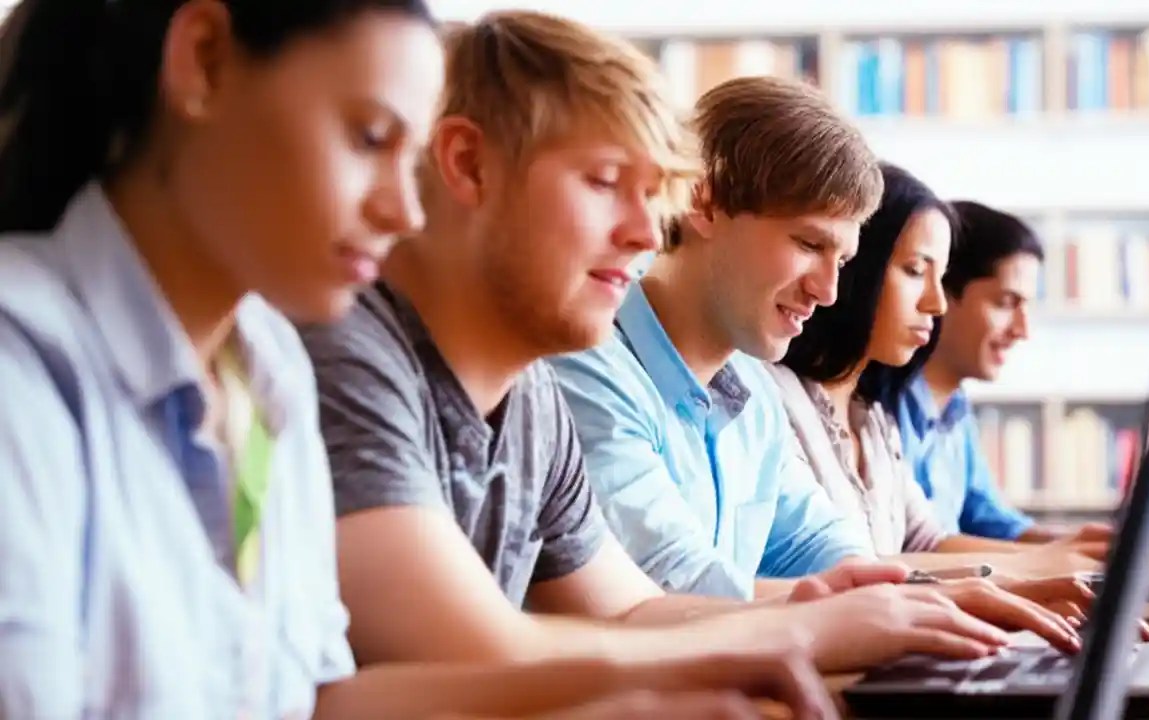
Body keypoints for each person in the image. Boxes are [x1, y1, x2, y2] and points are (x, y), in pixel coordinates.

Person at [0, 2, 838, 718]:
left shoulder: (264, 376)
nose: (404, 207)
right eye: (369, 137)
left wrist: (659, 684)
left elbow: (314, 701)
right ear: (205, 63)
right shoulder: (23, 375)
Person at [299, 9, 1060, 686]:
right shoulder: (346, 355)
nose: (642, 233)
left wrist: (831, 612)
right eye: (604, 182)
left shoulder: (530, 398)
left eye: (652, 194)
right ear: (467, 165)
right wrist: (801, 628)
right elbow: (467, 651)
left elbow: (630, 612)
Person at [549, 76, 1081, 650]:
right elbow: (669, 587)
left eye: (844, 258)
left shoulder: (750, 389)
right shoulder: (587, 367)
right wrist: (896, 604)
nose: (829, 291)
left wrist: (928, 597)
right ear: (705, 200)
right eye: (808, 244)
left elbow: (831, 549)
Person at [769, 164, 1100, 596]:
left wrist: (1058, 561)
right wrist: (1040, 565)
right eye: (913, 271)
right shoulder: (775, 401)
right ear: (857, 266)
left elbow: (930, 541)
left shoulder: (872, 420)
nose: (936, 303)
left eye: (938, 277)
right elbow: (856, 570)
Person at [894, 200, 1113, 550]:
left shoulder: (955, 408)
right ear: (944, 291)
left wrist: (1092, 544)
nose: (1023, 330)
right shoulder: (882, 407)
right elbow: (917, 547)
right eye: (1006, 303)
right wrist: (1062, 555)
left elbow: (994, 522)